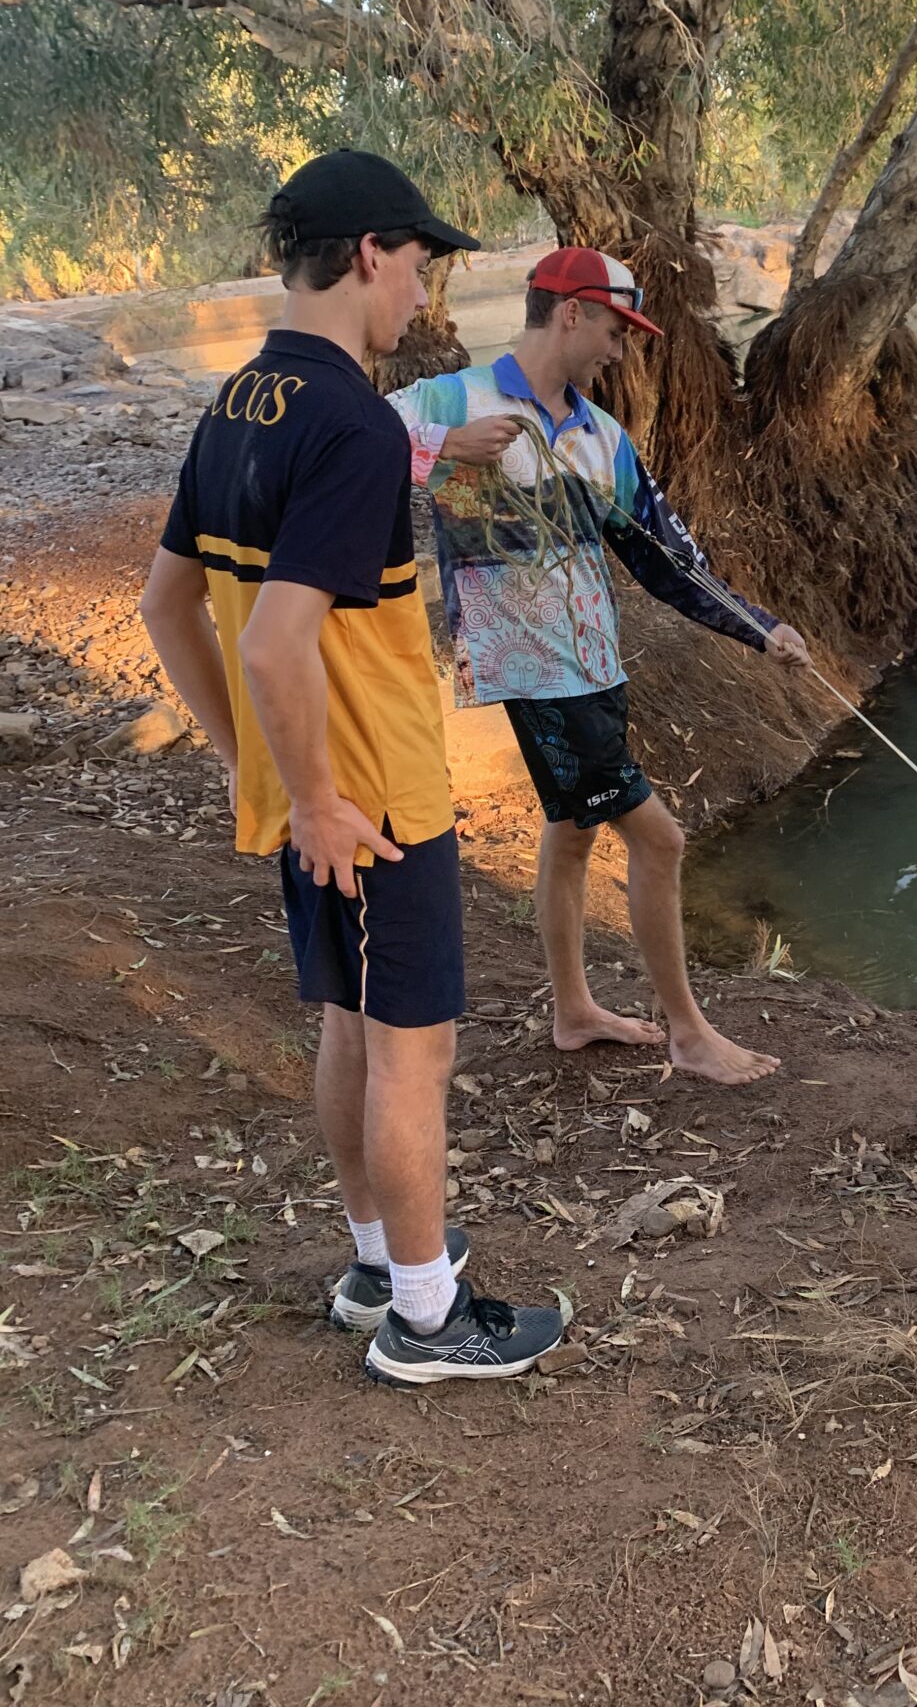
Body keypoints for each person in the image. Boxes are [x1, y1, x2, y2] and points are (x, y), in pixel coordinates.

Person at [139, 148, 565, 1387]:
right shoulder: (356, 424)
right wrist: (319, 795)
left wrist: (264, 774)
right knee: (413, 1050)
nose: (422, 294)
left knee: (350, 1019)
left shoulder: (238, 402)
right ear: (369, 253)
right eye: (418, 264)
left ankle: (380, 1261)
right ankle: (428, 1318)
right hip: (374, 801)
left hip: (321, 798)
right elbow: (275, 641)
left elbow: (168, 604)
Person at [388, 246, 811, 1086]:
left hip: (594, 664)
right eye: (617, 331)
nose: (622, 351)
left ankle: (574, 1011)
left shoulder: (601, 437)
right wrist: (443, 446)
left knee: (573, 832)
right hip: (533, 673)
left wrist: (760, 628)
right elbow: (335, 442)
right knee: (661, 841)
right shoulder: (450, 401)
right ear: (572, 313)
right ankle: (689, 1033)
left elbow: (666, 559)